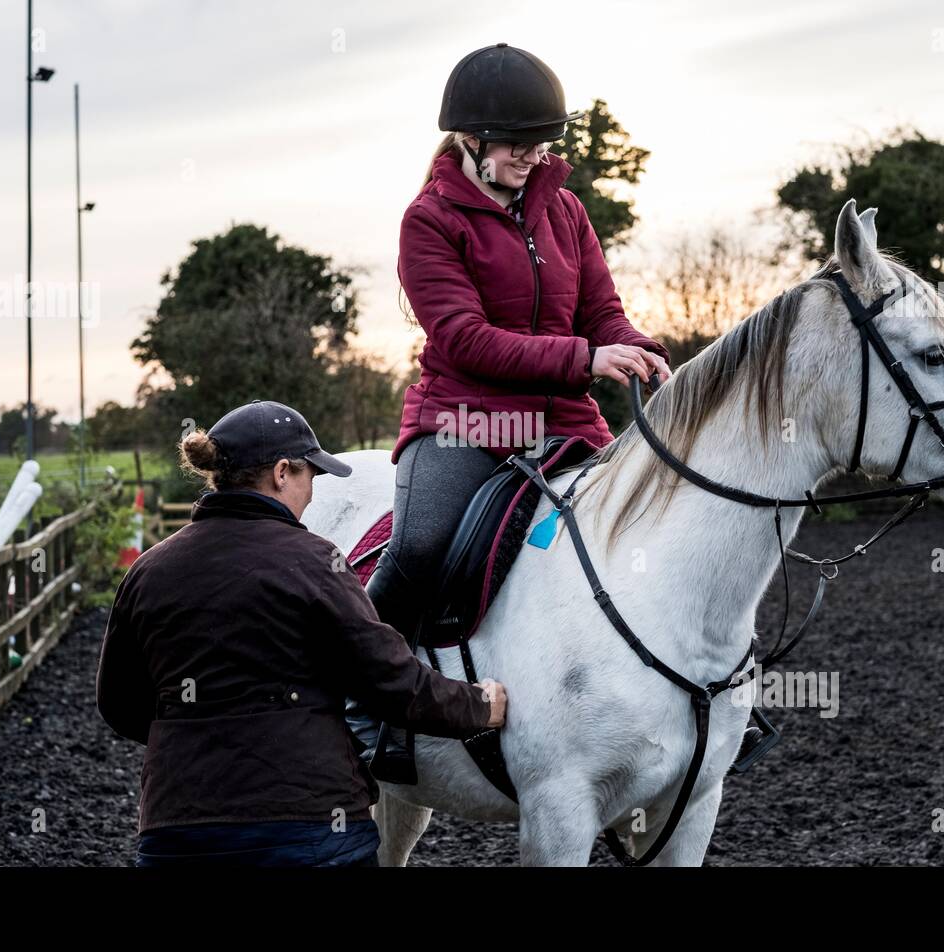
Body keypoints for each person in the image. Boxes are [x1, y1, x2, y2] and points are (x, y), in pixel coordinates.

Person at [350, 43, 672, 782]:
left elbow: (601, 311)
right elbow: (464, 338)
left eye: (541, 145)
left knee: (654, 534)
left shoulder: (565, 210)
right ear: (470, 139)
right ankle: (362, 703)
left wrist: (636, 348)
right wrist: (583, 359)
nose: (534, 158)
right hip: (466, 419)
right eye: (518, 146)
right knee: (422, 545)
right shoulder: (427, 221)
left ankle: (694, 704)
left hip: (566, 425)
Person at [96, 400, 507, 866]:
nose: (312, 492)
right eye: (310, 476)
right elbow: (391, 682)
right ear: (281, 472)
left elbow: (120, 704)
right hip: (306, 828)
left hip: (177, 832)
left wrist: (197, 736)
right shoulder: (314, 562)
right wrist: (479, 706)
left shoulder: (148, 570)